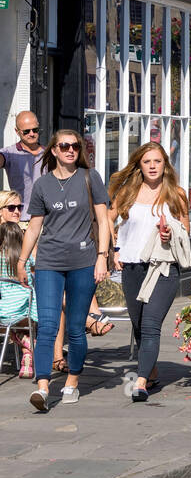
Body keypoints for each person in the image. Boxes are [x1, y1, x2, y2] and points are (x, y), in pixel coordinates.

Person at [17, 130, 111, 412]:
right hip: (49, 263)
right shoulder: (43, 184)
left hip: (83, 261)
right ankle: (43, 387)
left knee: (75, 327)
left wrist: (102, 257)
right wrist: (22, 261)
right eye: (64, 146)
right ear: (54, 151)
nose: (70, 150)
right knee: (46, 326)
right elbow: (34, 225)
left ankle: (72, 380)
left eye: (75, 146)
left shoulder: (89, 177)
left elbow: (103, 220)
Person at [0, 113, 112, 339]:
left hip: (54, 219)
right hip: (23, 221)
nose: (32, 134)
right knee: (45, 274)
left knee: (71, 266)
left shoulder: (51, 153)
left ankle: (90, 315)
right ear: (17, 132)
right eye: (26, 131)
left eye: (35, 130)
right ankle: (88, 319)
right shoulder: (9, 153)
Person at [109, 143, 190, 401]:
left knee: (151, 324)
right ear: (139, 166)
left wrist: (170, 232)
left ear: (165, 165)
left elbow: (185, 232)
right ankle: (151, 371)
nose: (153, 166)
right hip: (132, 267)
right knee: (139, 326)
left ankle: (140, 382)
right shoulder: (127, 193)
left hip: (164, 267)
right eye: (147, 162)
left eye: (157, 161)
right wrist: (113, 249)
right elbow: (106, 221)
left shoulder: (176, 194)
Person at [0, 191, 37, 377]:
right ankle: (29, 354)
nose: (17, 211)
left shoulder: (22, 233)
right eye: (11, 207)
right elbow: (34, 265)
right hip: (24, 307)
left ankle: (23, 343)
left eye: (20, 207)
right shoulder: (21, 242)